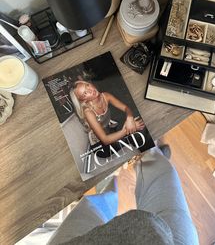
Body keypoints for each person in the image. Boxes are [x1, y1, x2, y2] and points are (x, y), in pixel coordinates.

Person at [47, 145, 199, 245]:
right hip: (164, 238)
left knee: (95, 204)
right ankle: (148, 157)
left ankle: (111, 176)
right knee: (162, 175)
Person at [73, 81, 145, 154]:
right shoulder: (88, 112)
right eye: (85, 93)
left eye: (87, 85)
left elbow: (126, 108)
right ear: (84, 100)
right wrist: (127, 129)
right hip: (100, 144)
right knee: (133, 137)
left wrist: (130, 119)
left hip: (109, 128)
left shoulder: (105, 96)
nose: (90, 90)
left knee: (139, 126)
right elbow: (105, 140)